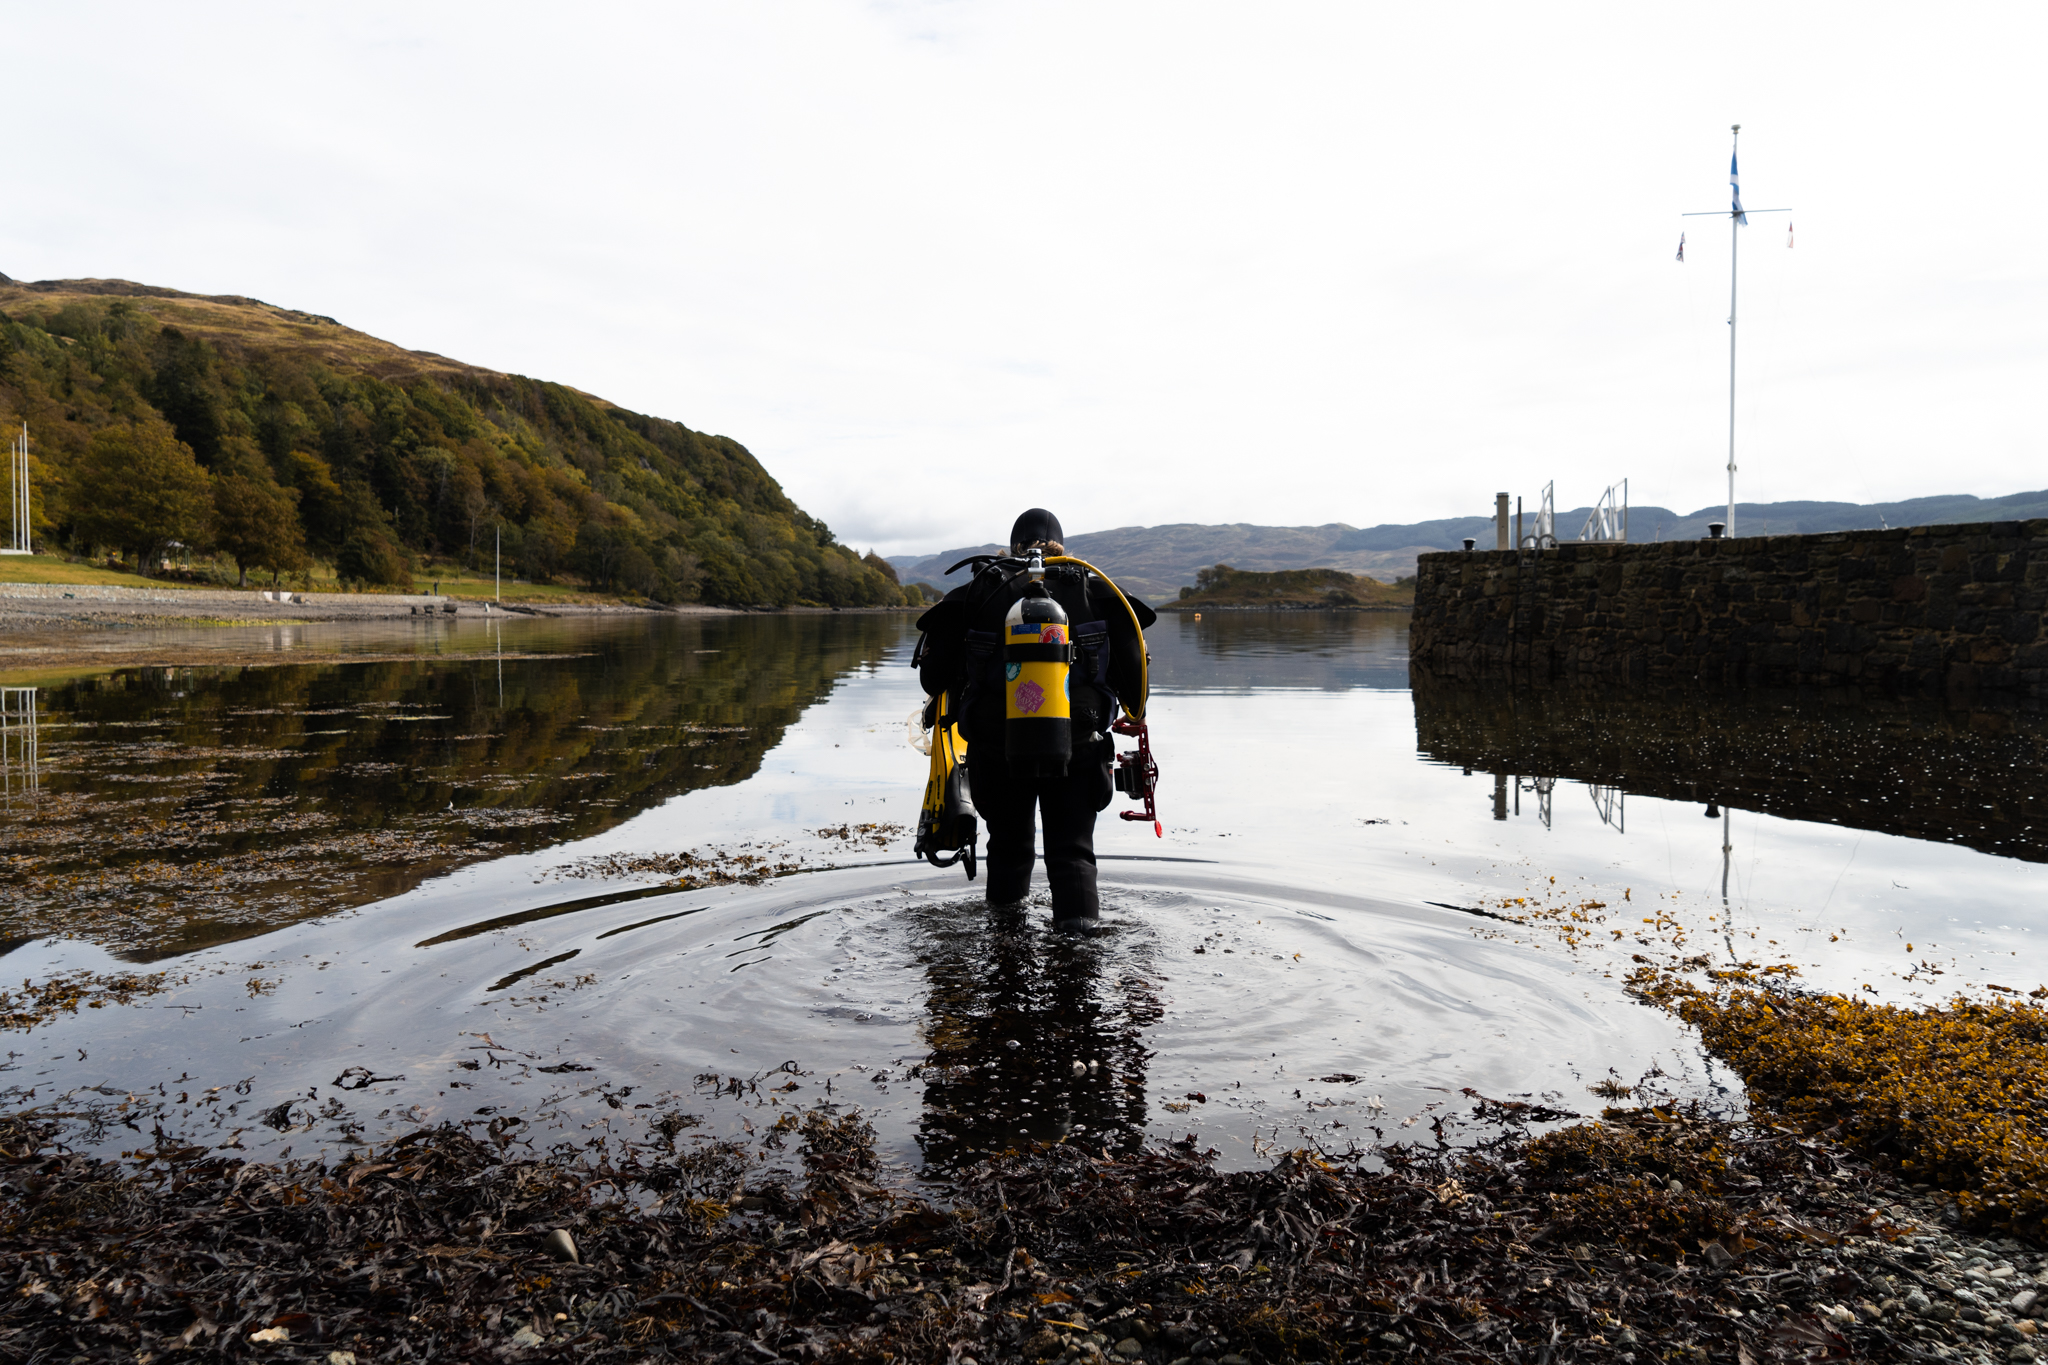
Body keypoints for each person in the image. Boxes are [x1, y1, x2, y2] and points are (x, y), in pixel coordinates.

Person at [914, 509, 1155, 931]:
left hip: (995, 744)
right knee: (1073, 852)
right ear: (1064, 548)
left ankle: (1006, 948)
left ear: (1010, 549)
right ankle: (1079, 951)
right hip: (1078, 741)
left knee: (1007, 849)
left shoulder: (976, 594)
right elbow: (1137, 685)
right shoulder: (1098, 593)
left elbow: (932, 679)